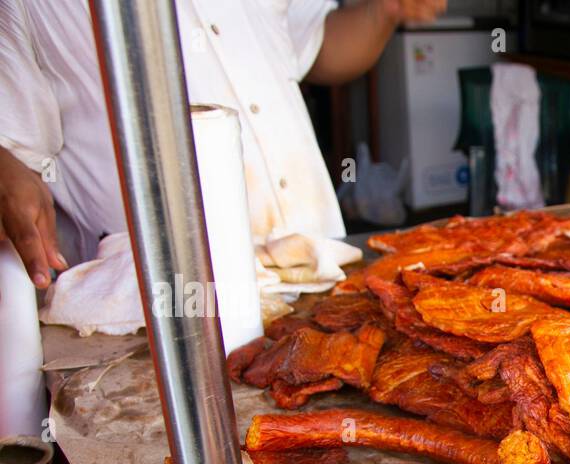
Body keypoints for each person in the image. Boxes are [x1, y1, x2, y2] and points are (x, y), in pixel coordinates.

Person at [0, 0, 447, 290]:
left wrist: (383, 11)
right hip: (163, 307)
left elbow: (320, 49)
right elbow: (11, 147)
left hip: (323, 267)